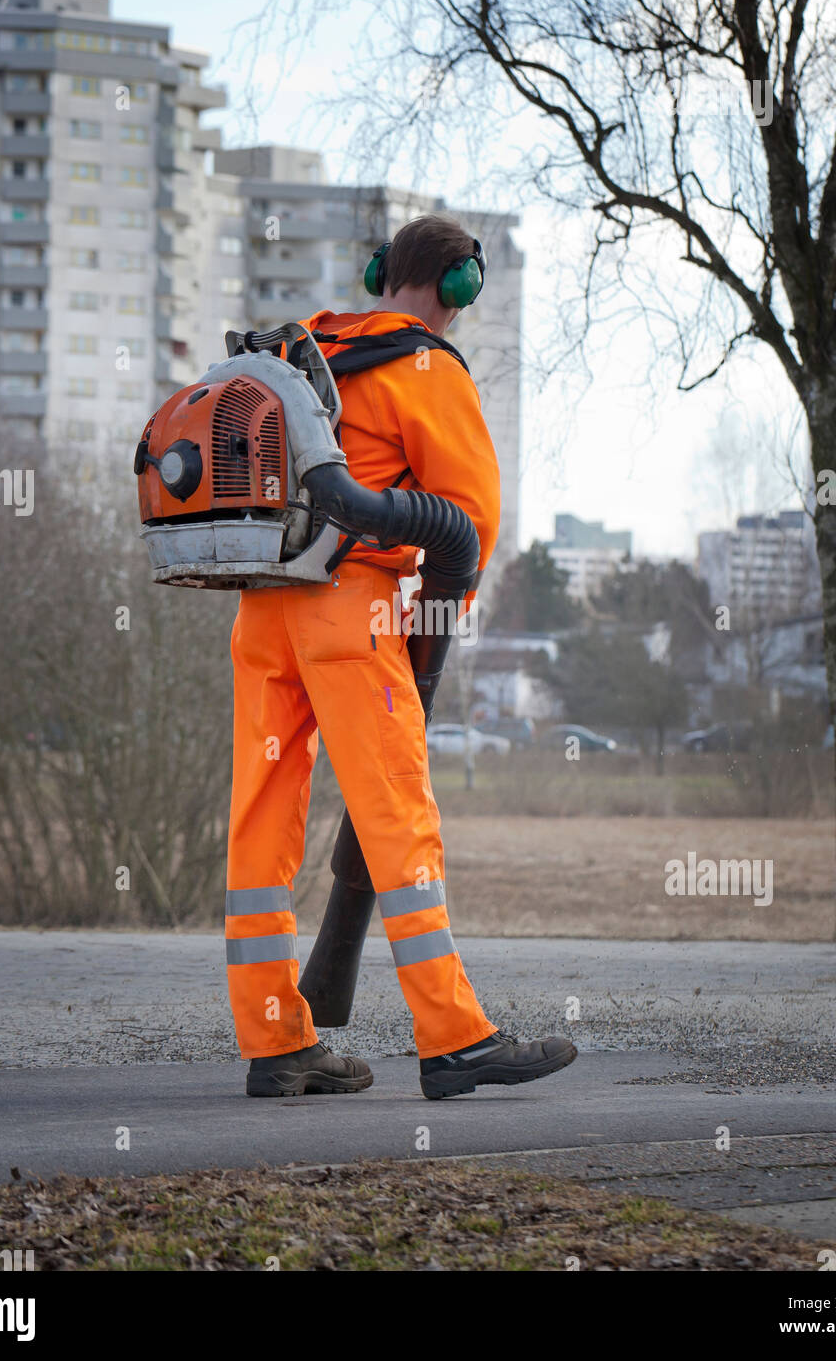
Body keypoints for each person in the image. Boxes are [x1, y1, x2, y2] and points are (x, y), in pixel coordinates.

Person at [225, 213, 577, 1099]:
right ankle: (455, 1040)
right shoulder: (424, 364)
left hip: (262, 610)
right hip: (351, 613)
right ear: (461, 285)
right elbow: (471, 522)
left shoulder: (306, 350)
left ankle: (275, 1043)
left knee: (261, 817)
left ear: (384, 271)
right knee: (397, 814)